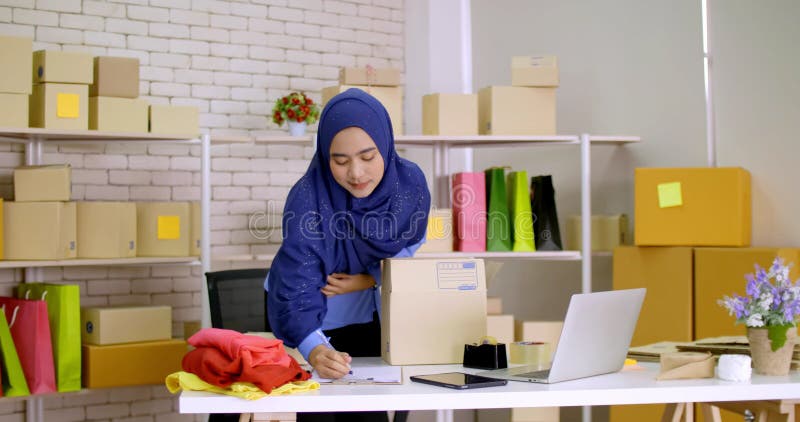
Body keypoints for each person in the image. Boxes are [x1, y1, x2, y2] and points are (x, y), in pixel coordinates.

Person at [266, 88, 431, 422]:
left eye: (368, 157)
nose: (356, 174)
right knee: (320, 411)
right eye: (340, 161)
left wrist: (371, 279)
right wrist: (313, 346)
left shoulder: (409, 184)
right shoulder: (307, 199)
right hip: (307, 310)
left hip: (370, 310)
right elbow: (297, 282)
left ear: (385, 145)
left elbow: (410, 245)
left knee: (367, 411)